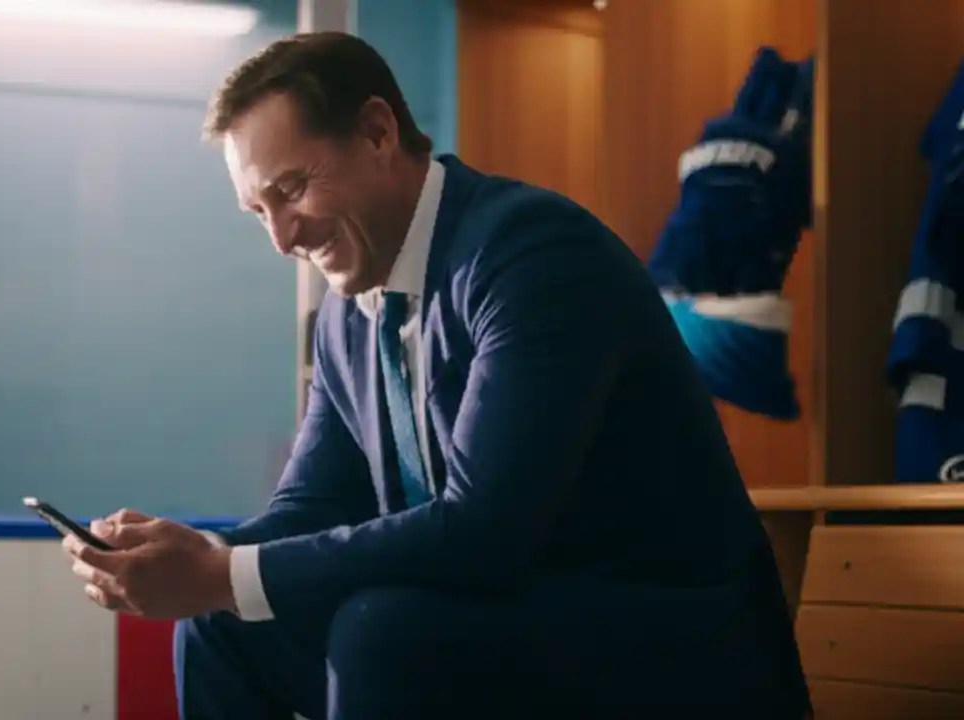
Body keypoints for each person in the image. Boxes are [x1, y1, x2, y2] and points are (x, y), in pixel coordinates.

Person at [62, 31, 811, 719]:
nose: (282, 238)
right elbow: (310, 507)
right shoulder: (345, 316)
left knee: (379, 631)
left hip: (670, 642)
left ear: (379, 134)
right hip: (508, 627)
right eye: (259, 211)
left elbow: (486, 530)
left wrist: (225, 573)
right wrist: (189, 563)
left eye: (291, 191)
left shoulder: (530, 254)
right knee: (218, 629)